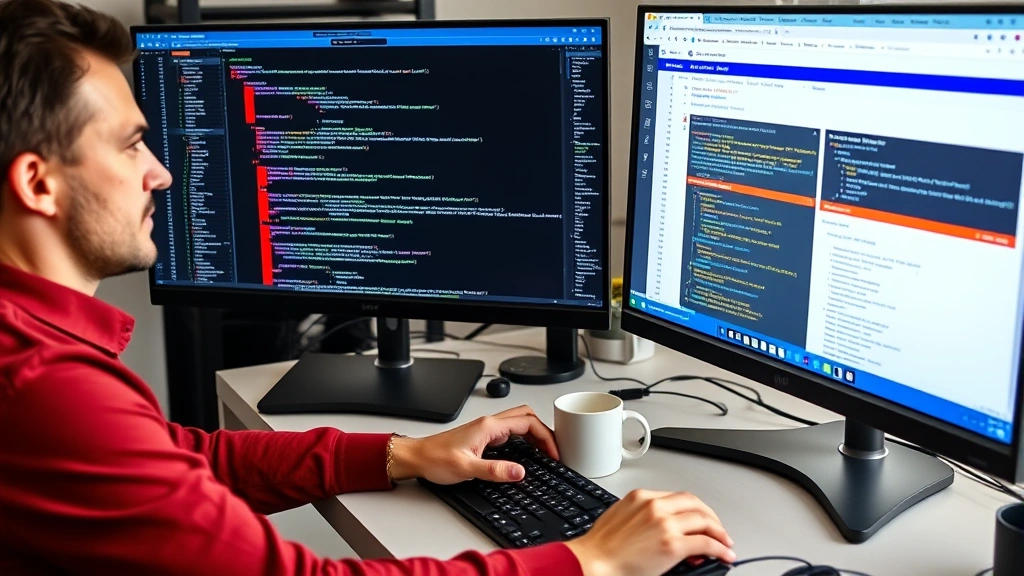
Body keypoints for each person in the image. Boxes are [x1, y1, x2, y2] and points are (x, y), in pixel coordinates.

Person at [0, 1, 736, 574]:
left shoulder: (34, 350)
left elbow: (177, 456)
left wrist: (399, 455)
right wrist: (587, 560)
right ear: (37, 182)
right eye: (132, 145)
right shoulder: (46, 386)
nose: (161, 171)